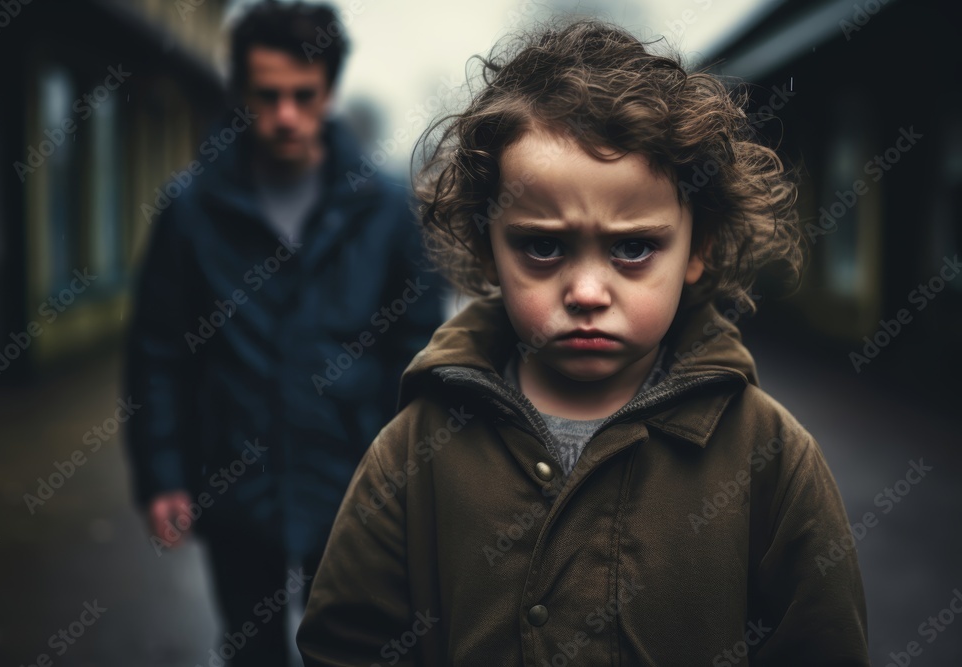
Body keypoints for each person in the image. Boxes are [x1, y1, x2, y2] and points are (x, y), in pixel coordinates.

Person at [296, 19, 869, 666]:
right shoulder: (415, 444)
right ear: (489, 248)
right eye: (543, 246)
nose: (588, 291)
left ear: (697, 246)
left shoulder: (772, 457)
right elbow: (344, 644)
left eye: (633, 248)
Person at [124, 2, 445, 665]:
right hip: (236, 485)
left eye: (305, 95)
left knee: (359, 650)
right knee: (251, 651)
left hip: (354, 482)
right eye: (268, 96)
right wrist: (164, 476)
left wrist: (410, 476)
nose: (287, 115)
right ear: (242, 90)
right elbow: (158, 353)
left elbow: (417, 349)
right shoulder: (190, 210)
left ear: (329, 90)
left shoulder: (384, 211)